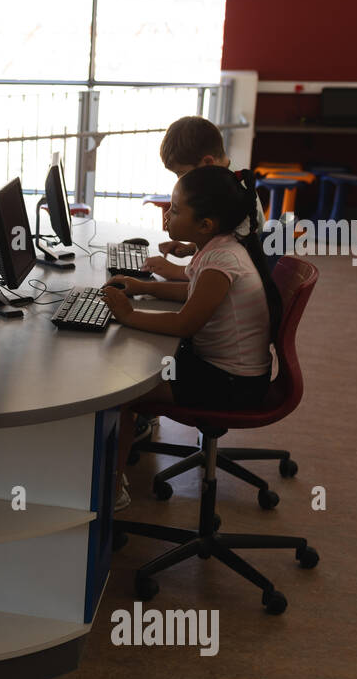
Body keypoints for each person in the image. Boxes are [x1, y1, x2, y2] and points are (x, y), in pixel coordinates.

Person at [100, 166, 282, 511]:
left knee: (120, 391)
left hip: (232, 384)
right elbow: (192, 292)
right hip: (226, 371)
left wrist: (128, 315)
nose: (168, 214)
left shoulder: (220, 259)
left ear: (205, 225)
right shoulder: (219, 247)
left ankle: (110, 490)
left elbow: (185, 324)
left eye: (176, 209)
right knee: (133, 359)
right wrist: (143, 286)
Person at [145, 116, 263, 281]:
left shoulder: (237, 195)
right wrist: (191, 248)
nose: (180, 181)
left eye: (181, 173)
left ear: (207, 163)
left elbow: (225, 267)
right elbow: (222, 237)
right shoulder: (224, 182)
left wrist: (175, 271)